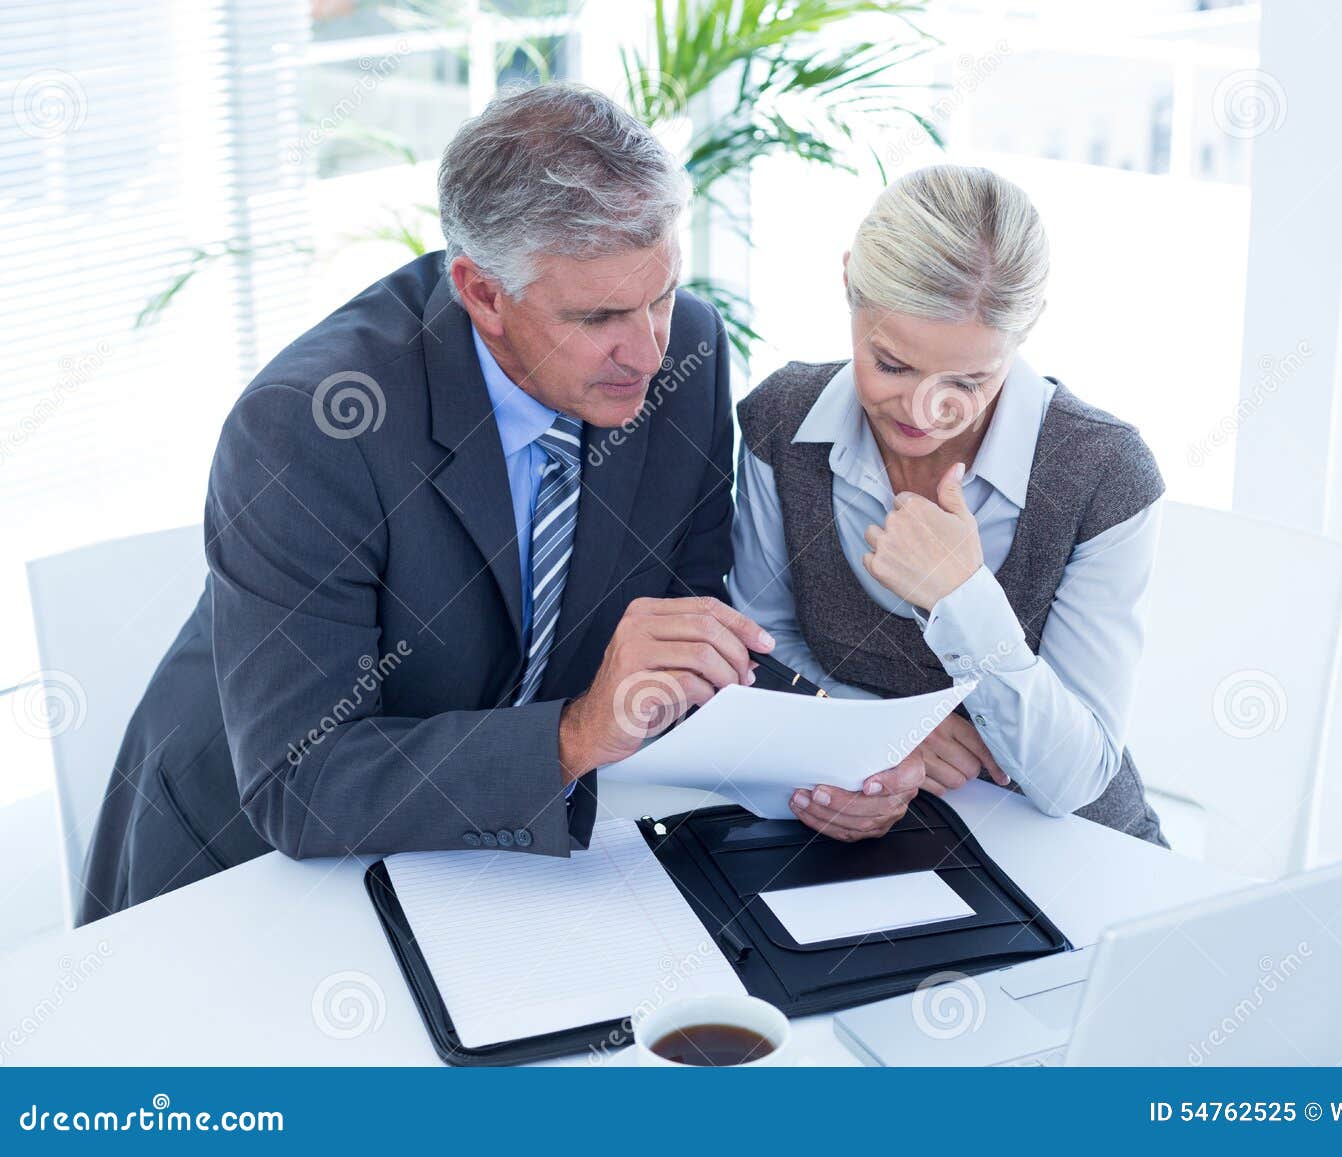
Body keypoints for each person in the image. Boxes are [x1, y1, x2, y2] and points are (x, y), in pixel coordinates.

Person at [79, 83, 922, 923]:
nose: (648, 348)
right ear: (481, 293)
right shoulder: (309, 426)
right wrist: (573, 737)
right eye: (598, 316)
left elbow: (689, 626)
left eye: (660, 294)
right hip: (247, 873)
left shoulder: (687, 349)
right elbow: (304, 779)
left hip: (480, 857)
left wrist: (843, 750)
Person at [731, 164, 1167, 845]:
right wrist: (880, 732)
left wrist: (962, 596)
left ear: (1025, 332)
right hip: (865, 835)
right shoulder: (780, 424)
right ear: (849, 283)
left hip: (1073, 852)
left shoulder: (1105, 474)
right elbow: (762, 650)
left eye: (968, 380)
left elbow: (1075, 779)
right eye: (893, 365)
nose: (922, 411)